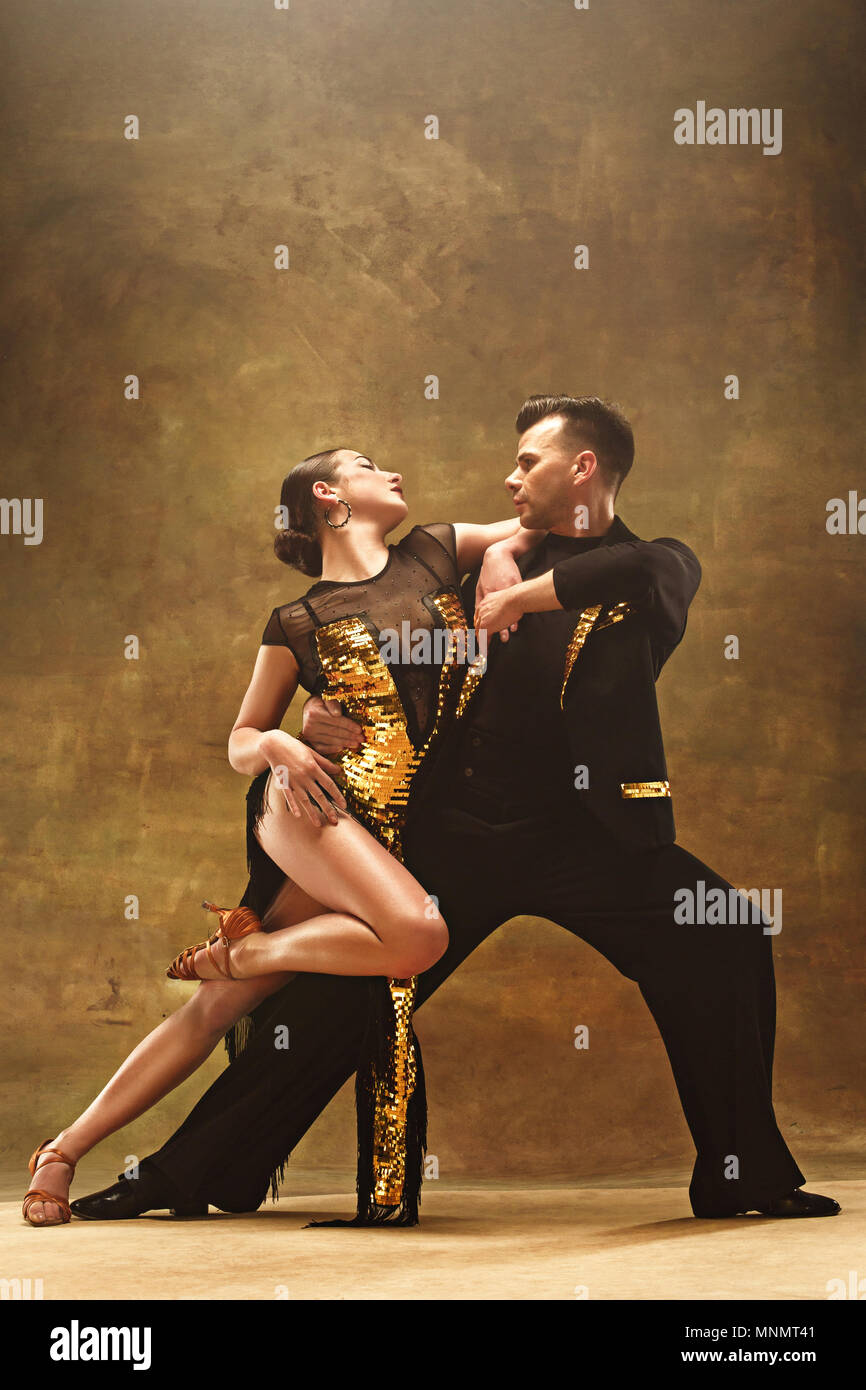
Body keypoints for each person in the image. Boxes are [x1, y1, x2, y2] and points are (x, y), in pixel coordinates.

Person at [72, 396, 839, 1223]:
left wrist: (520, 594)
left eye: (529, 462)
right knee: (334, 1001)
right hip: (456, 829)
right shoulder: (475, 562)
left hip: (595, 837)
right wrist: (310, 719)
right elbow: (372, 644)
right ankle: (183, 1176)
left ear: (584, 469)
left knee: (723, 934)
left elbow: (642, 570)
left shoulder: (655, 567)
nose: (510, 477)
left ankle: (742, 1174)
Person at [23, 446, 542, 1227]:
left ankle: (60, 1150)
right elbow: (240, 737)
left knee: (216, 1007)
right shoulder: (297, 620)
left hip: (384, 828)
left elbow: (540, 529)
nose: (393, 471)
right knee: (417, 935)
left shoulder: (435, 551)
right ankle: (243, 956)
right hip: (308, 807)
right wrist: (280, 744)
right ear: (330, 497)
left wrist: (501, 555)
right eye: (369, 465)